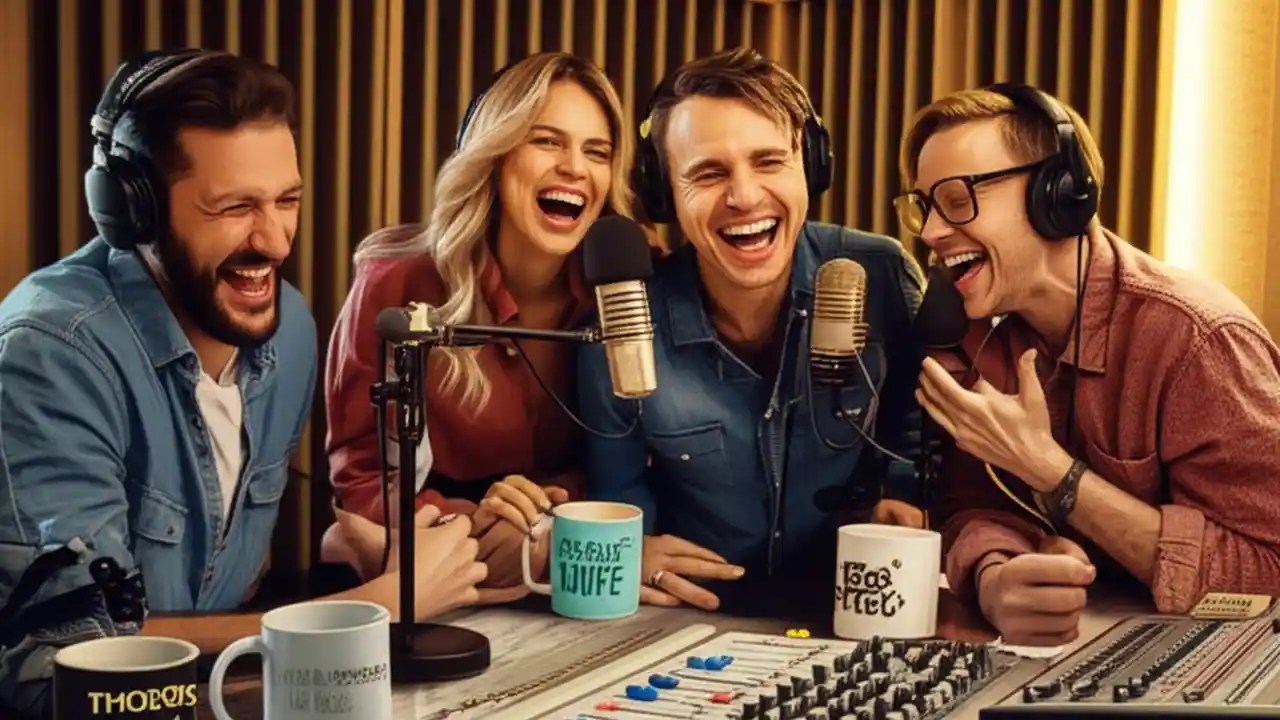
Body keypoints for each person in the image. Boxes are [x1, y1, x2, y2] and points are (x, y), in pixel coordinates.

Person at [0, 50, 484, 718]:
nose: (276, 241)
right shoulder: (51, 356)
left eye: (288, 200)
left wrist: (347, 545)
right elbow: (68, 659)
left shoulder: (288, 335)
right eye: (234, 207)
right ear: (131, 210)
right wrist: (369, 611)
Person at [900, 83, 1280, 646]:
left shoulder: (1197, 341)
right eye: (925, 206)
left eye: (958, 200)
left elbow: (1269, 566)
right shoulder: (977, 337)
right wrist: (995, 577)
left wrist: (1053, 473)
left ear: (1060, 195)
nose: (930, 232)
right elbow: (972, 504)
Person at [575, 48, 928, 617]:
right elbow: (619, 513)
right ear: (665, 194)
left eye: (768, 162)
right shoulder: (622, 330)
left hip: (863, 608)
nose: (743, 197)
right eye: (709, 173)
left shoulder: (882, 274)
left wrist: (905, 497)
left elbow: (920, 432)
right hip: (693, 620)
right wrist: (629, 557)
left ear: (811, 167)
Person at [323, 52, 635, 588]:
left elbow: (644, 461)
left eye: (597, 151)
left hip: (575, 569)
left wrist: (549, 520)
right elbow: (364, 477)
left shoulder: (627, 288)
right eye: (546, 140)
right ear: (494, 154)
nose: (575, 167)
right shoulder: (397, 282)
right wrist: (472, 522)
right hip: (434, 569)